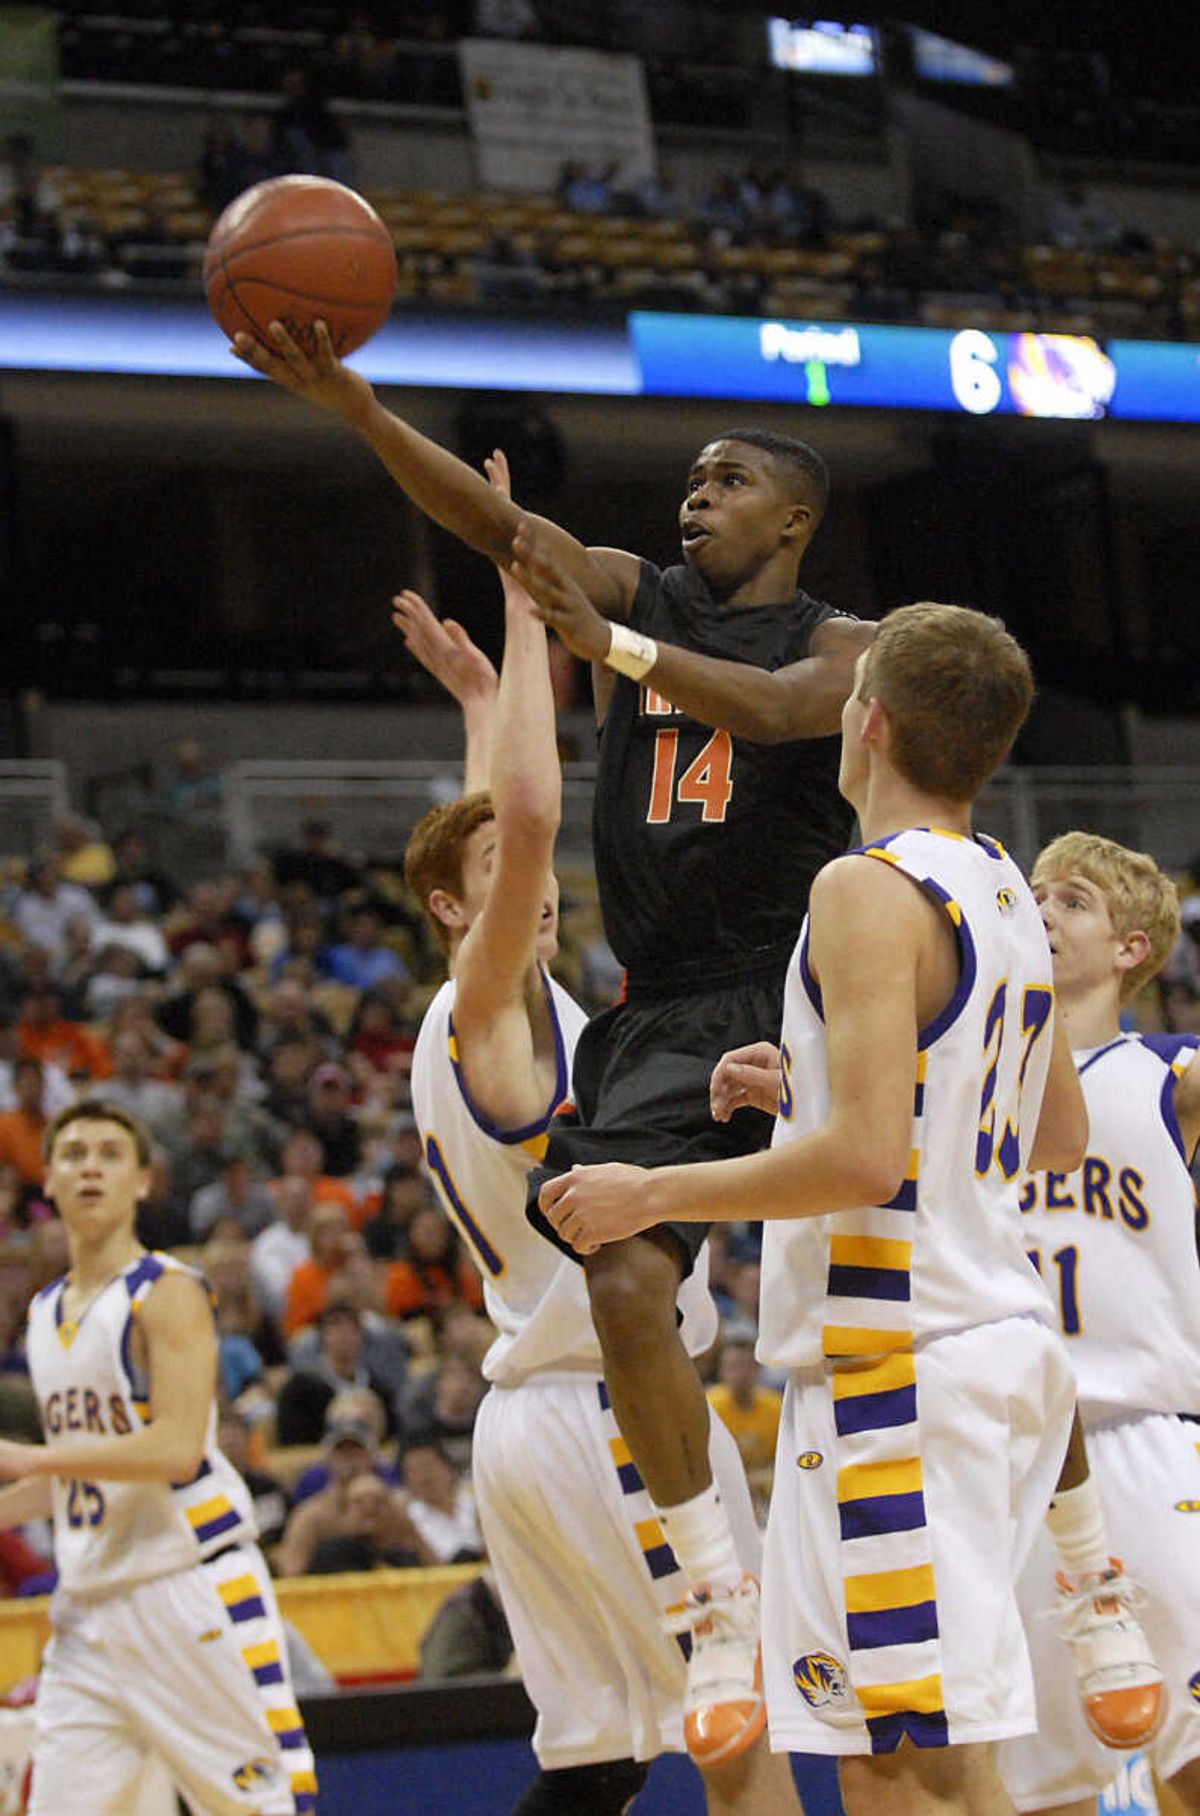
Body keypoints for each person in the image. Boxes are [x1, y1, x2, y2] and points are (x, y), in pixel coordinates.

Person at [235, 313, 870, 1773]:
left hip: (797, 987)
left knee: (906, 1267)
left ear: (795, 515)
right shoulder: (638, 588)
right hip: (656, 1006)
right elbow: (501, 524)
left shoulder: (846, 644)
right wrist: (361, 409)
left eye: (726, 481)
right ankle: (715, 1587)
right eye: (690, 481)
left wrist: (617, 645)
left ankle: (1076, 1540)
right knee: (625, 1268)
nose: (694, 499)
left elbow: (773, 711)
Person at [540, 601, 1093, 1815]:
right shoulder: (1002, 885)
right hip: (988, 1352)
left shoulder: (862, 886)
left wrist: (655, 1186)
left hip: (894, 1367)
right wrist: (804, 1088)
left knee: (914, 1774)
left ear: (869, 723)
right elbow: (1053, 1132)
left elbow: (864, 1163)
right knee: (924, 1762)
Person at [400, 467, 797, 1812]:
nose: (534, 898)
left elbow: (472, 848)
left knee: (601, 1766)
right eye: (497, 898)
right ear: (462, 914)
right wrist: (529, 627)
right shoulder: (489, 1006)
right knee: (750, 1737)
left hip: (529, 1425)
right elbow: (512, 831)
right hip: (606, 1415)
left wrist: (478, 706)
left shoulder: (492, 1012)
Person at [0, 1099, 317, 1814]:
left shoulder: (166, 1292)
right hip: (88, 1612)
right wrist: (24, 1484)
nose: (89, 1167)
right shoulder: (45, 1312)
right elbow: (82, 1473)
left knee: (262, 1808)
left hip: (186, 1591)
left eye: (109, 1154)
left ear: (143, 1182)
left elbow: (176, 1449)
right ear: (45, 1180)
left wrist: (33, 1461)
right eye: (73, 1153)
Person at [997, 833, 1200, 1816]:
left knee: (1193, 1755)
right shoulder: (964, 1084)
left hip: (1140, 1443)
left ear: (1129, 947)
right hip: (1017, 1466)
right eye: (1030, 894)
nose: (1038, 910)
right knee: (1045, 1789)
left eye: (1068, 900)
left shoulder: (1167, 1073)